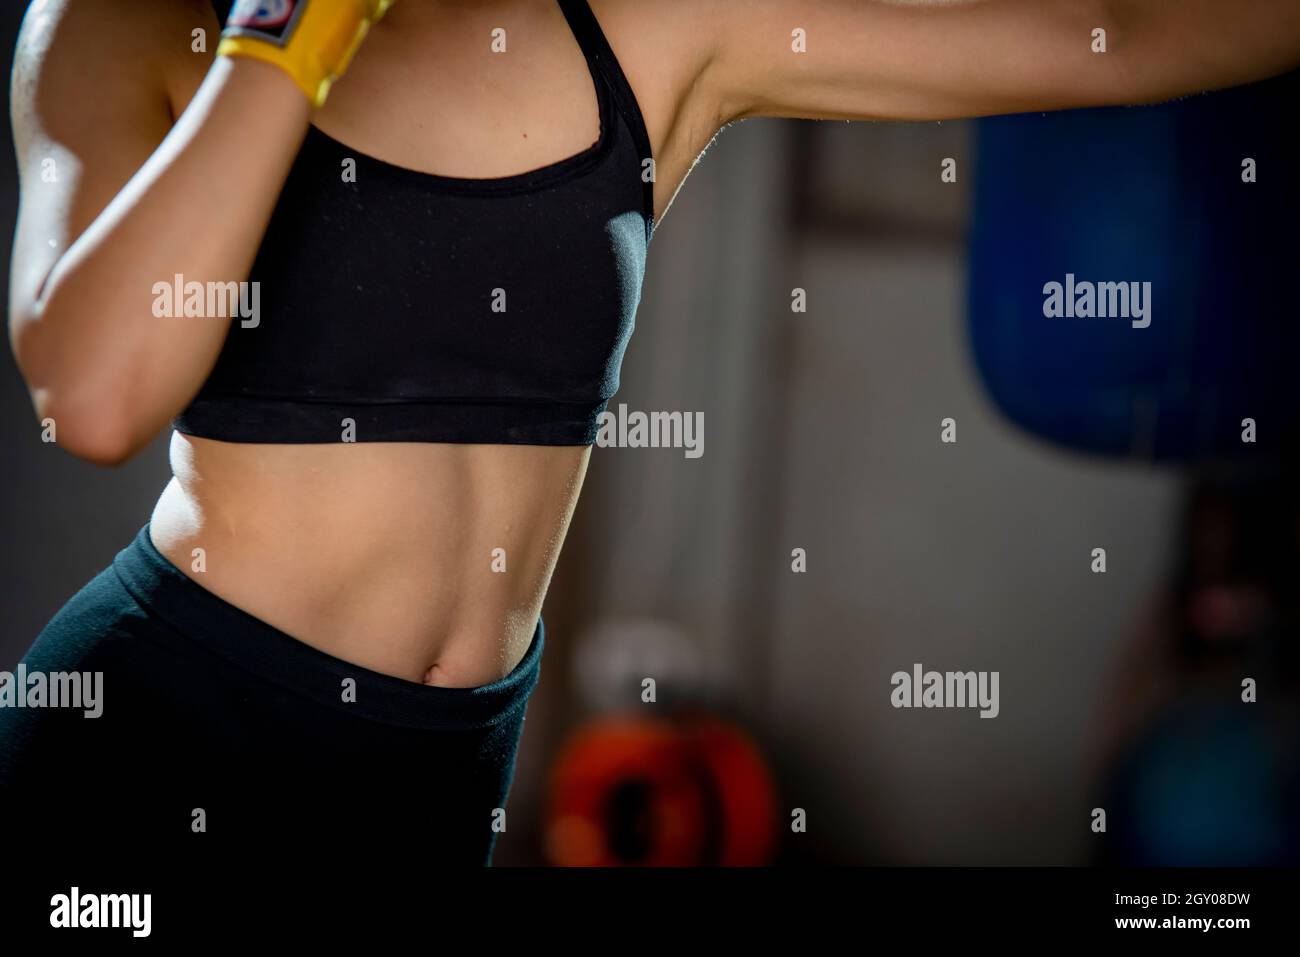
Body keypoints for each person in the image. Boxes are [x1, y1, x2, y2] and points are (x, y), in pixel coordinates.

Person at [4, 0, 1298, 865]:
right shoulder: (115, 25)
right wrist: (282, 37)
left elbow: (1110, 36)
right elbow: (98, 397)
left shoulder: (637, 28)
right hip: (158, 740)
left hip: (433, 780)